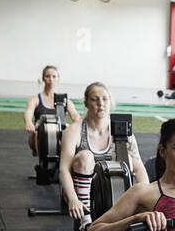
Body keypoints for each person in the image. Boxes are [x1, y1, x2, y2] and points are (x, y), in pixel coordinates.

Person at [58, 82, 149, 221]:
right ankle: (86, 221)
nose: (101, 103)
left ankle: (120, 215)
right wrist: (72, 198)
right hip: (80, 194)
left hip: (112, 190)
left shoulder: (121, 129)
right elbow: (64, 170)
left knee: (128, 159)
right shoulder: (74, 130)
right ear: (86, 103)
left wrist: (147, 202)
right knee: (86, 157)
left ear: (110, 102)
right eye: (95, 99)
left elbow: (138, 167)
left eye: (105, 99)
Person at [23, 65, 81, 154]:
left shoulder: (65, 101)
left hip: (59, 134)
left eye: (54, 76)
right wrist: (28, 122)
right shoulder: (35, 99)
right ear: (43, 78)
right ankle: (41, 161)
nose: (51, 79)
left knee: (69, 128)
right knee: (39, 129)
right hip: (40, 134)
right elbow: (28, 112)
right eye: (47, 76)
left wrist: (80, 124)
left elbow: (74, 115)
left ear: (58, 79)